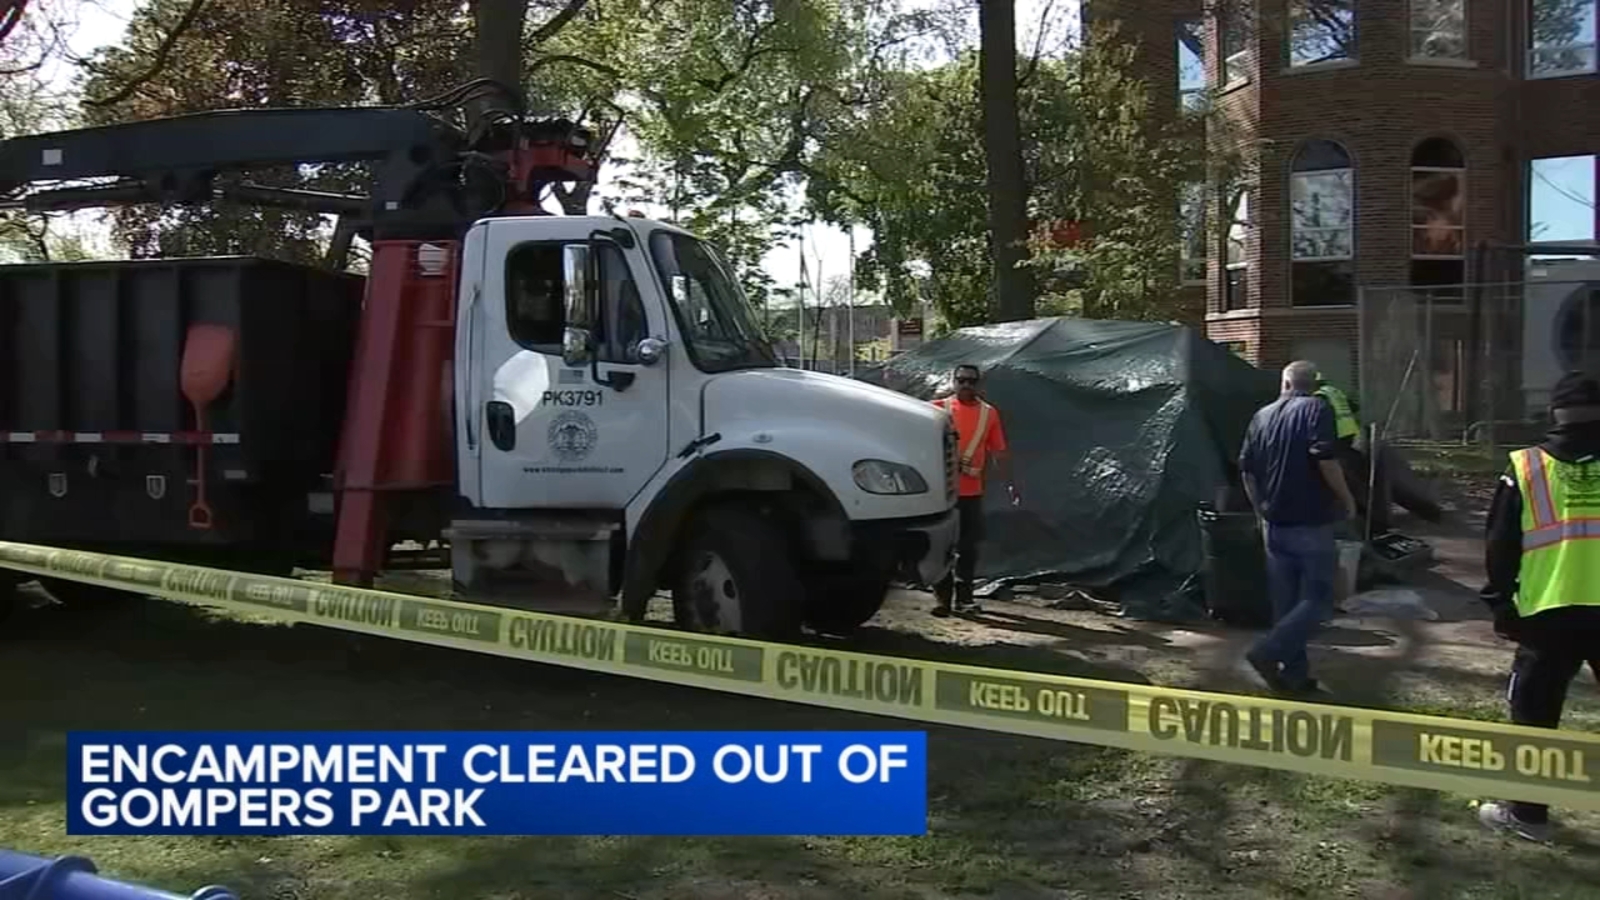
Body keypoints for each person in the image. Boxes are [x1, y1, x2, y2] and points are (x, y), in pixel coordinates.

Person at [1476, 370, 1600, 842]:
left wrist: (1501, 604)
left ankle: (1527, 815)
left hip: (1547, 613)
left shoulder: (1526, 468)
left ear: (1555, 414)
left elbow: (1500, 544)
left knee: (1534, 713)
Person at [1238, 360, 1359, 695]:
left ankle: (1295, 676)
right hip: (1310, 521)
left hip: (1273, 523)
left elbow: (1246, 470)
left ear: (1285, 383)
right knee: (1319, 601)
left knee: (1286, 605)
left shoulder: (1261, 416)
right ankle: (1266, 652)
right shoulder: (1317, 410)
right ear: (1312, 385)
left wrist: (1259, 508)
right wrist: (1347, 499)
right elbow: (1324, 459)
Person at [930, 364, 1020, 617]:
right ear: (953, 382)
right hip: (942, 493)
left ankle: (965, 599)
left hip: (971, 492)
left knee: (968, 548)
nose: (966, 385)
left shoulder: (988, 414)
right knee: (942, 546)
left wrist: (1010, 483)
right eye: (961, 380)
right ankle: (942, 600)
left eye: (971, 381)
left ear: (979, 384)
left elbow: (998, 452)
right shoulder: (937, 409)